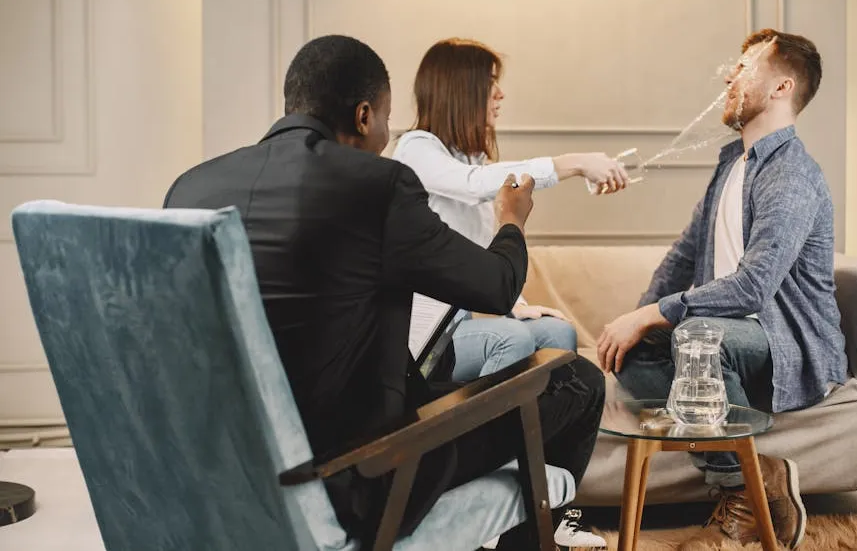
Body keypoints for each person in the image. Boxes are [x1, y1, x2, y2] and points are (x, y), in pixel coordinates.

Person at [163, 35, 606, 550]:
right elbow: (496, 284)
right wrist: (512, 222)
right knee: (575, 380)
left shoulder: (191, 189)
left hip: (224, 471)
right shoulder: (378, 186)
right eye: (386, 120)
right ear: (363, 115)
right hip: (362, 474)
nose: (388, 134)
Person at [596, 29, 847, 549]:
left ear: (780, 88)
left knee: (695, 334)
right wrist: (636, 320)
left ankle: (744, 496)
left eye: (746, 66)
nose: (730, 76)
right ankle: (762, 470)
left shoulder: (793, 174)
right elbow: (684, 257)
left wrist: (655, 316)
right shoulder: (732, 164)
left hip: (785, 345)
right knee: (639, 350)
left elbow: (754, 288)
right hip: (722, 339)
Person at [393, 37, 630, 382]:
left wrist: (517, 305)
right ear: (462, 89)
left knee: (557, 332)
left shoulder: (469, 159)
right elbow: (472, 184)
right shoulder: (415, 149)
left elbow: (477, 253)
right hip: (421, 344)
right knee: (511, 339)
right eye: (491, 84)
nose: (500, 95)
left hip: (459, 326)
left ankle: (547, 435)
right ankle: (488, 438)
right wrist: (575, 163)